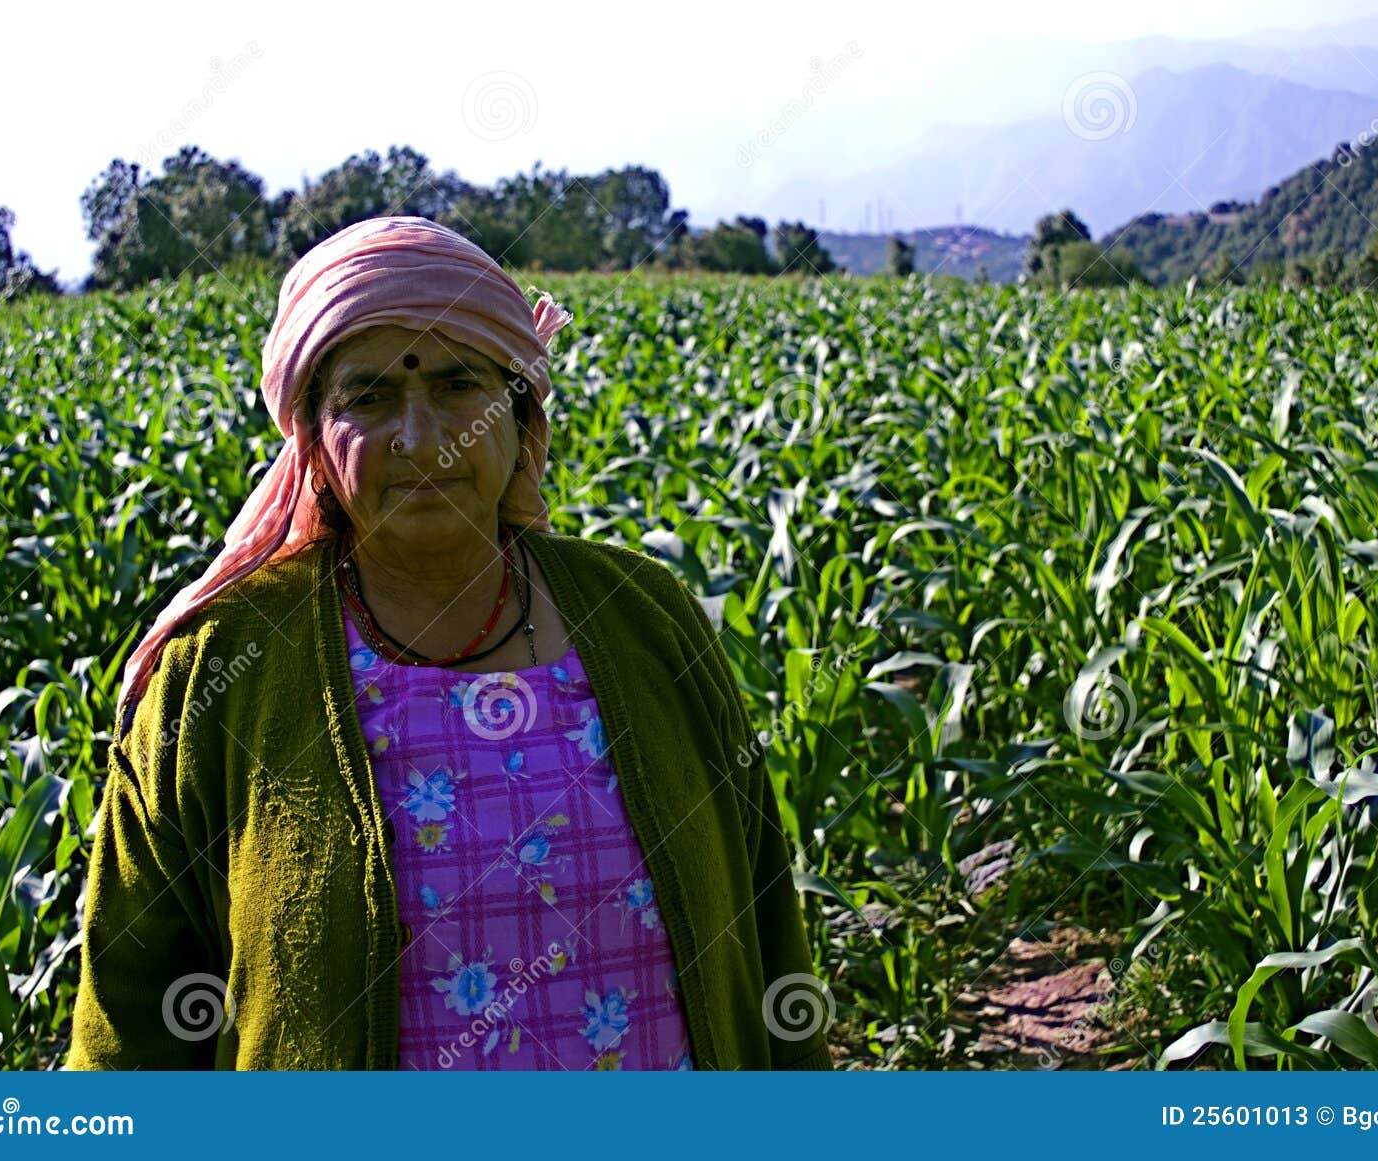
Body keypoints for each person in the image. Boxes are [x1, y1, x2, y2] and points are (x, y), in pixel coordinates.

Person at [65, 215, 832, 1070]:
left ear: (521, 411)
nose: (421, 439)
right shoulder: (221, 668)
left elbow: (766, 923)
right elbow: (131, 1012)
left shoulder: (642, 616)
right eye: (368, 397)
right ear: (313, 437)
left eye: (460, 385)